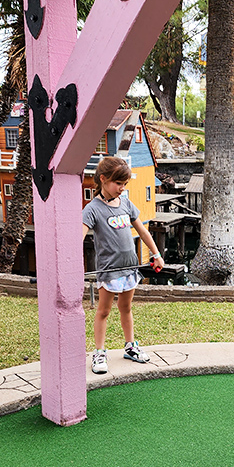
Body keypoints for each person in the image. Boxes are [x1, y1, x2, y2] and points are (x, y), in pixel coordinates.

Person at [82, 156, 165, 374]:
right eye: (118, 183)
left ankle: (130, 346)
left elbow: (143, 231)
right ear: (103, 179)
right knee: (103, 311)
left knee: (126, 308)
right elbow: (78, 237)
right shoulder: (92, 209)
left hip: (129, 268)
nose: (122, 188)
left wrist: (156, 254)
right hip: (109, 270)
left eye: (125, 184)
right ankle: (99, 352)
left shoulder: (126, 203)